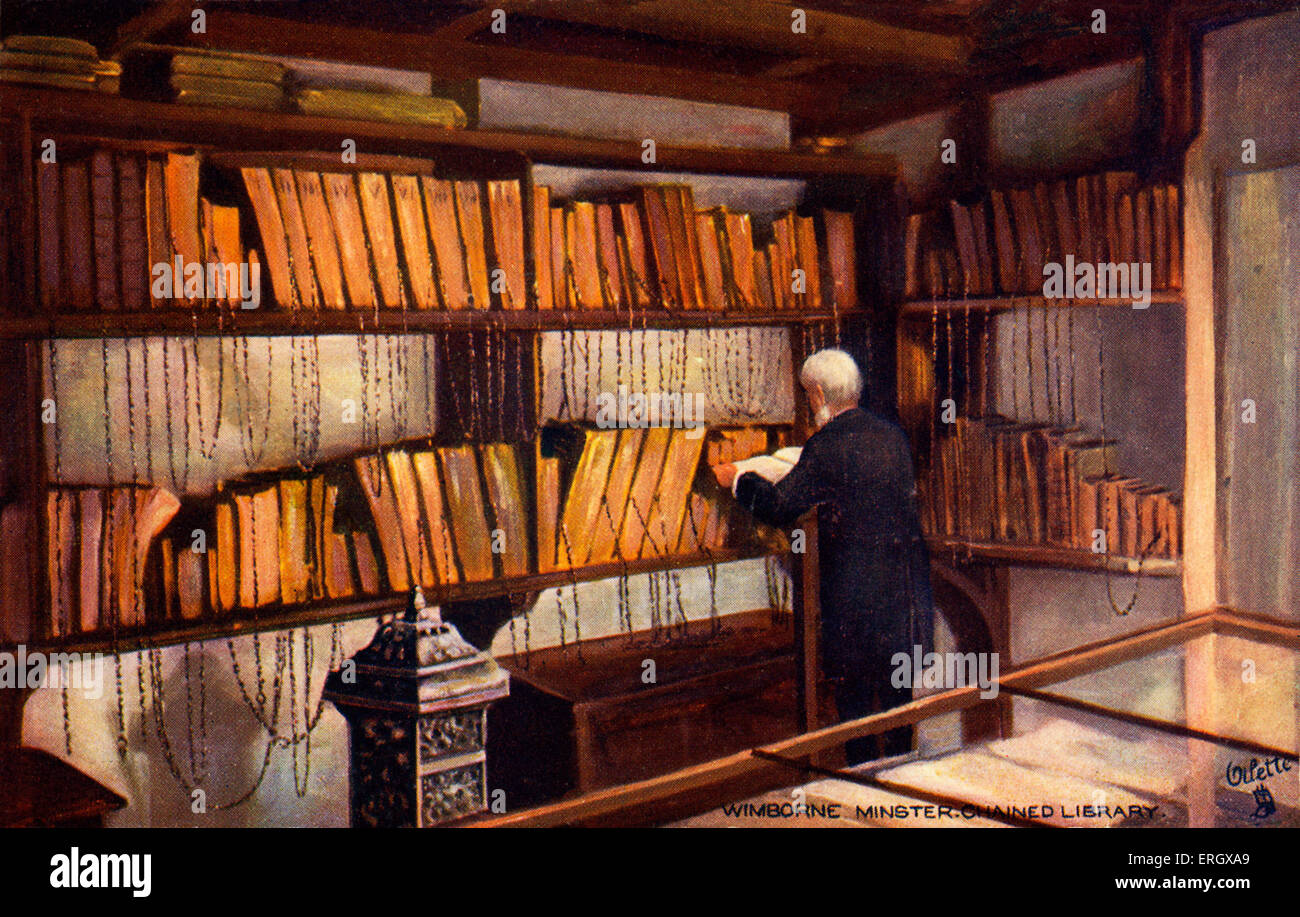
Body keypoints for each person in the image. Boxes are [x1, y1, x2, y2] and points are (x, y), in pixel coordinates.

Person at [713, 348, 934, 765]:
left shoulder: (826, 446)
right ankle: (906, 783)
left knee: (854, 703)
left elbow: (780, 507)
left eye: (807, 395)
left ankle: (863, 787)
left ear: (816, 394)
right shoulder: (892, 436)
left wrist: (740, 479)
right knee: (897, 700)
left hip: (854, 602)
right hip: (902, 598)